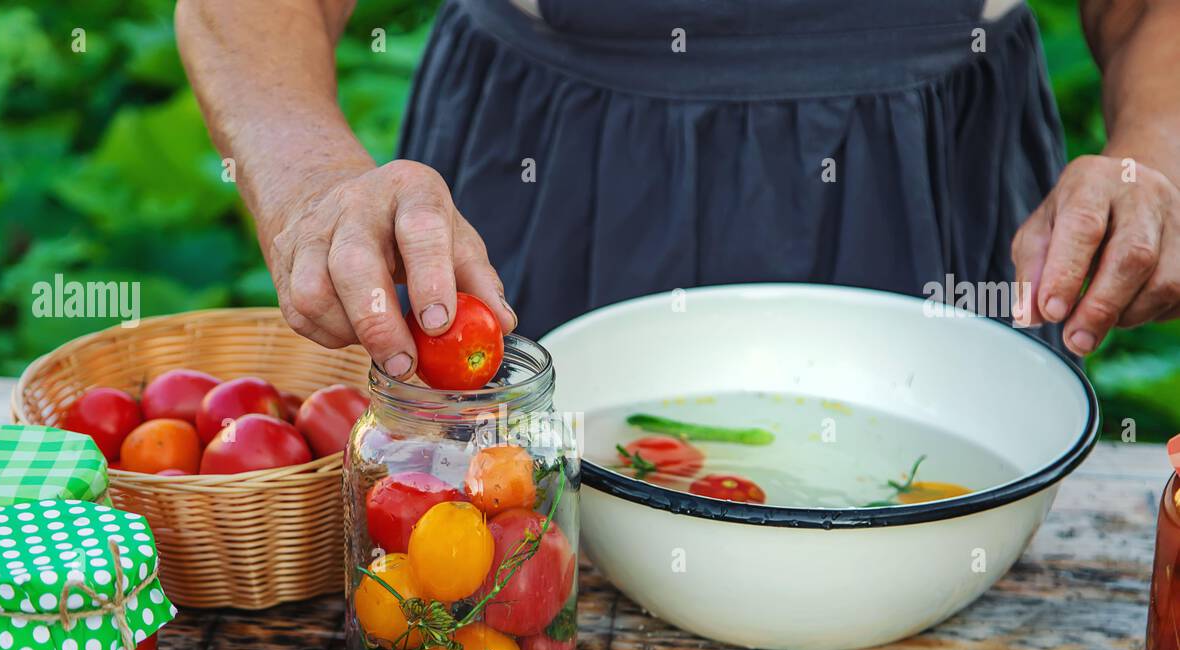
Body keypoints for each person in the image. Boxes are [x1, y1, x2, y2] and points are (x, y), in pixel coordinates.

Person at [176, 0, 1180, 376]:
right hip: (551, 178)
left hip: (934, 181)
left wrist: (1160, 150)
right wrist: (314, 182)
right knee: (523, 583)